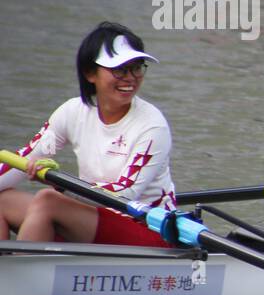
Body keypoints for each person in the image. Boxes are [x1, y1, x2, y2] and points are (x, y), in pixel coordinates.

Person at [0, 22, 177, 245]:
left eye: (136, 67)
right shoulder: (72, 112)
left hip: (148, 228)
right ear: (90, 73)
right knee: (2, 200)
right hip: (91, 215)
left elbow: (125, 193)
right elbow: (25, 159)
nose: (131, 77)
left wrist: (61, 185)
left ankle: (21, 265)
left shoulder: (152, 126)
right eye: (120, 69)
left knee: (48, 200)